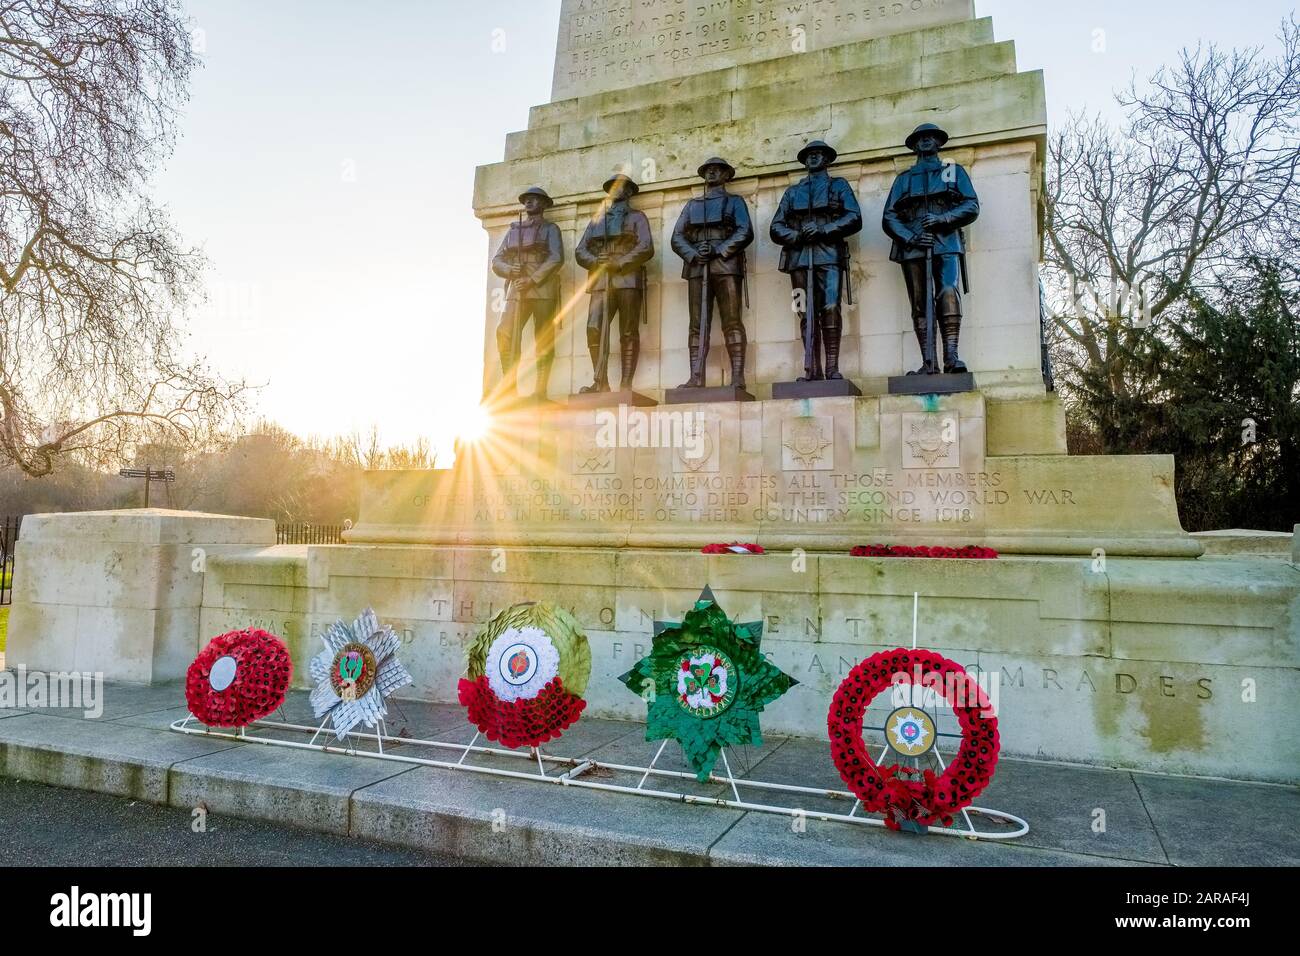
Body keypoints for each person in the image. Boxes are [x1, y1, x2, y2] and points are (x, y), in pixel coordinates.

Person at [882, 123, 981, 375]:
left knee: (948, 291)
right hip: (913, 245)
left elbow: (971, 206)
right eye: (920, 138)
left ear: (939, 142)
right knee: (919, 303)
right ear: (914, 145)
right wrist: (911, 237)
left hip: (946, 240)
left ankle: (951, 357)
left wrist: (943, 219)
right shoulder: (904, 179)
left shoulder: (951, 171)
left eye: (930, 138)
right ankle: (929, 362)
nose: (925, 141)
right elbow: (889, 216)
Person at [770, 140, 863, 382]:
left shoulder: (838, 186)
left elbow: (854, 217)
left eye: (818, 154)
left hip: (829, 254)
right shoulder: (792, 192)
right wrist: (797, 235)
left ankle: (832, 367)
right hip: (799, 258)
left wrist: (825, 229)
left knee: (831, 308)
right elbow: (776, 227)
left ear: (827, 159)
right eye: (809, 155)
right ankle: (812, 368)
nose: (813, 158)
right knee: (804, 312)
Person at [670, 157, 755, 389]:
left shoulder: (735, 202)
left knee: (732, 321)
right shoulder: (691, 205)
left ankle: (737, 376)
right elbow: (677, 237)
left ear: (727, 175)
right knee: (697, 325)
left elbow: (745, 231)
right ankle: (696, 376)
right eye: (708, 170)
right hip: (698, 266)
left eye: (717, 170)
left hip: (726, 265)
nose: (712, 173)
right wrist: (695, 253)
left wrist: (719, 249)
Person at [574, 174, 655, 393]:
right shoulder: (597, 220)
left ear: (629, 192)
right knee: (594, 328)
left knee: (628, 331)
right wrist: (596, 262)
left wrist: (619, 263)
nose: (614, 190)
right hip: (601, 279)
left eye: (619, 186)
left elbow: (646, 246)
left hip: (628, 277)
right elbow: (581, 251)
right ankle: (600, 382)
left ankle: (626, 384)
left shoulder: (638, 217)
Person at [490, 186, 564, 399]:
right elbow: (497, 260)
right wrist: (509, 270)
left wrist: (532, 279)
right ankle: (510, 388)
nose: (530, 202)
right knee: (505, 334)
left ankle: (540, 391)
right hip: (516, 288)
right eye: (527, 199)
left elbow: (556, 257)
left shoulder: (551, 229)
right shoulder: (514, 230)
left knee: (543, 339)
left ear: (544, 204)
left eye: (535, 199)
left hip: (542, 288)